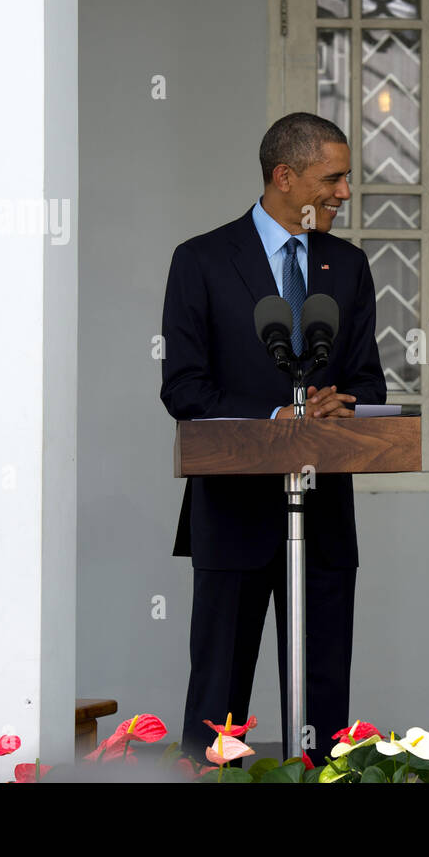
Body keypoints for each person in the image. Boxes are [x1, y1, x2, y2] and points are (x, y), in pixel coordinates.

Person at [159, 112, 386, 766]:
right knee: (217, 699)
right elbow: (184, 387)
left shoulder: (347, 265)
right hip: (231, 510)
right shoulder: (200, 260)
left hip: (324, 513)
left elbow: (368, 382)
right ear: (285, 177)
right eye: (333, 178)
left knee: (323, 702)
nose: (345, 193)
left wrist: (339, 403)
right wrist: (281, 413)